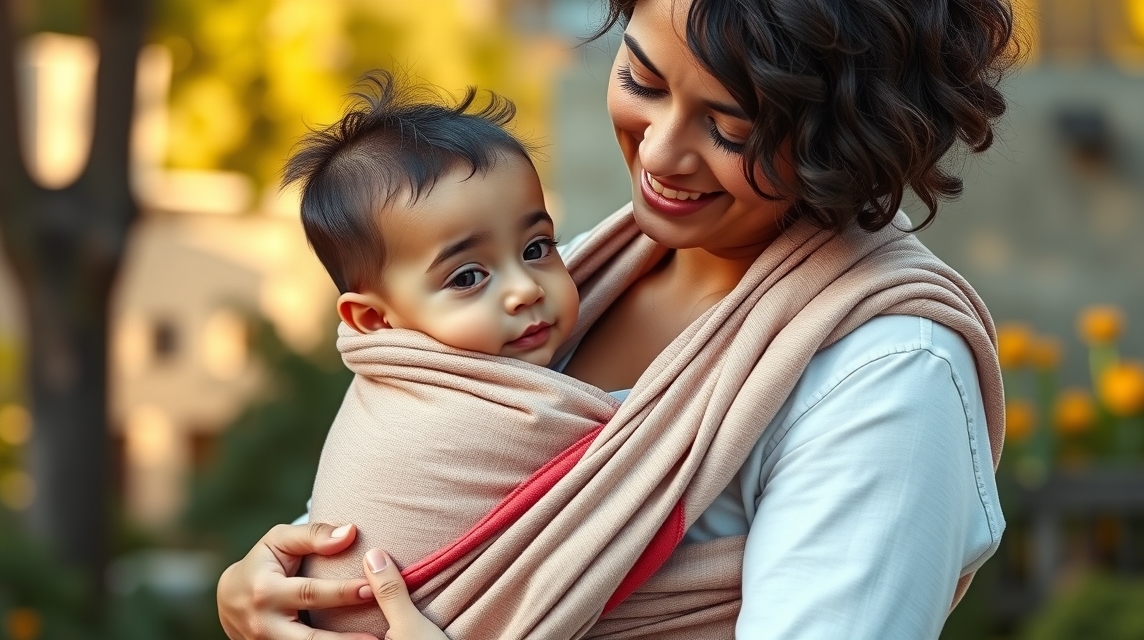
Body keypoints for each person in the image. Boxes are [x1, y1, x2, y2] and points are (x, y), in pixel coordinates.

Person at [217, 0, 1017, 638]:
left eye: (729, 127)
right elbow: (457, 492)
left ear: (843, 133)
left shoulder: (887, 373)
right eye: (641, 80)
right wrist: (276, 584)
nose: (661, 155)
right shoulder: (591, 264)